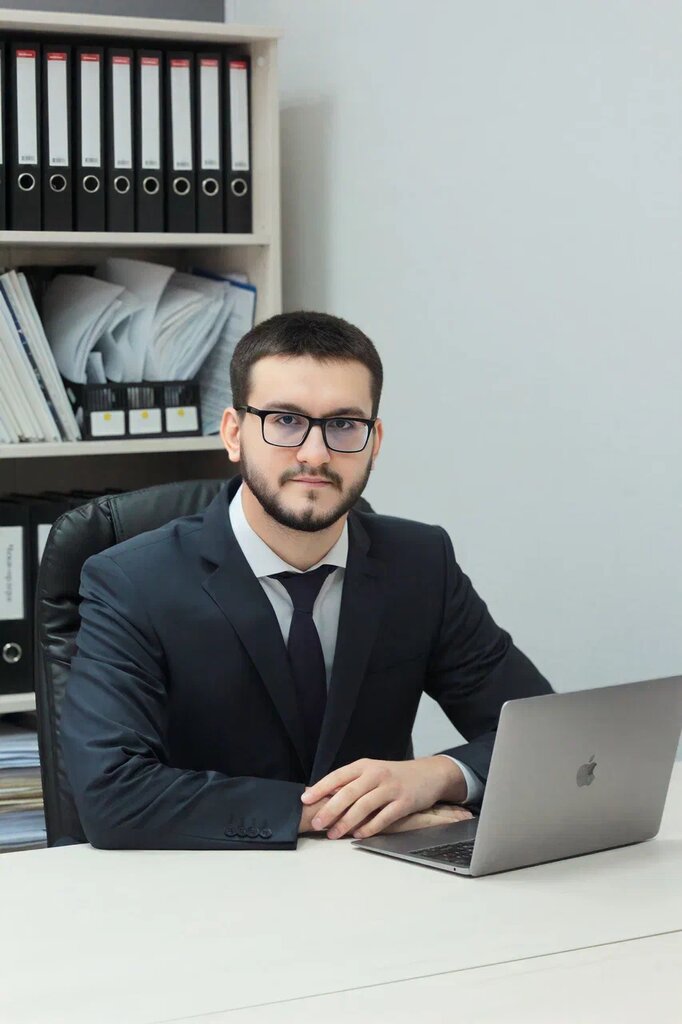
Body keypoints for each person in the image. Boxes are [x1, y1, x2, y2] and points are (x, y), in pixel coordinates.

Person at [61, 311, 553, 850]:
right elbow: (111, 793)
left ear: (374, 441)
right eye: (285, 420)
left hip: (381, 881)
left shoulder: (420, 563)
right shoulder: (133, 581)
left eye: (343, 425)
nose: (315, 454)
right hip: (203, 882)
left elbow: (541, 733)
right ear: (233, 433)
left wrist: (437, 775)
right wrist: (329, 813)